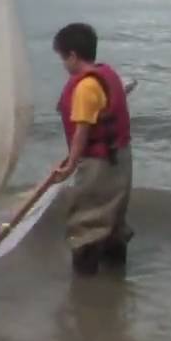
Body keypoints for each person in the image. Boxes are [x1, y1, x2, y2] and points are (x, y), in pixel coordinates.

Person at [48, 22, 133, 276]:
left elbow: (81, 133)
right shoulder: (106, 74)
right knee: (113, 219)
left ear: (73, 55)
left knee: (87, 223)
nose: (64, 65)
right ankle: (115, 284)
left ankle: (85, 290)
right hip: (121, 158)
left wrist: (69, 166)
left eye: (63, 59)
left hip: (99, 163)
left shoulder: (85, 88)